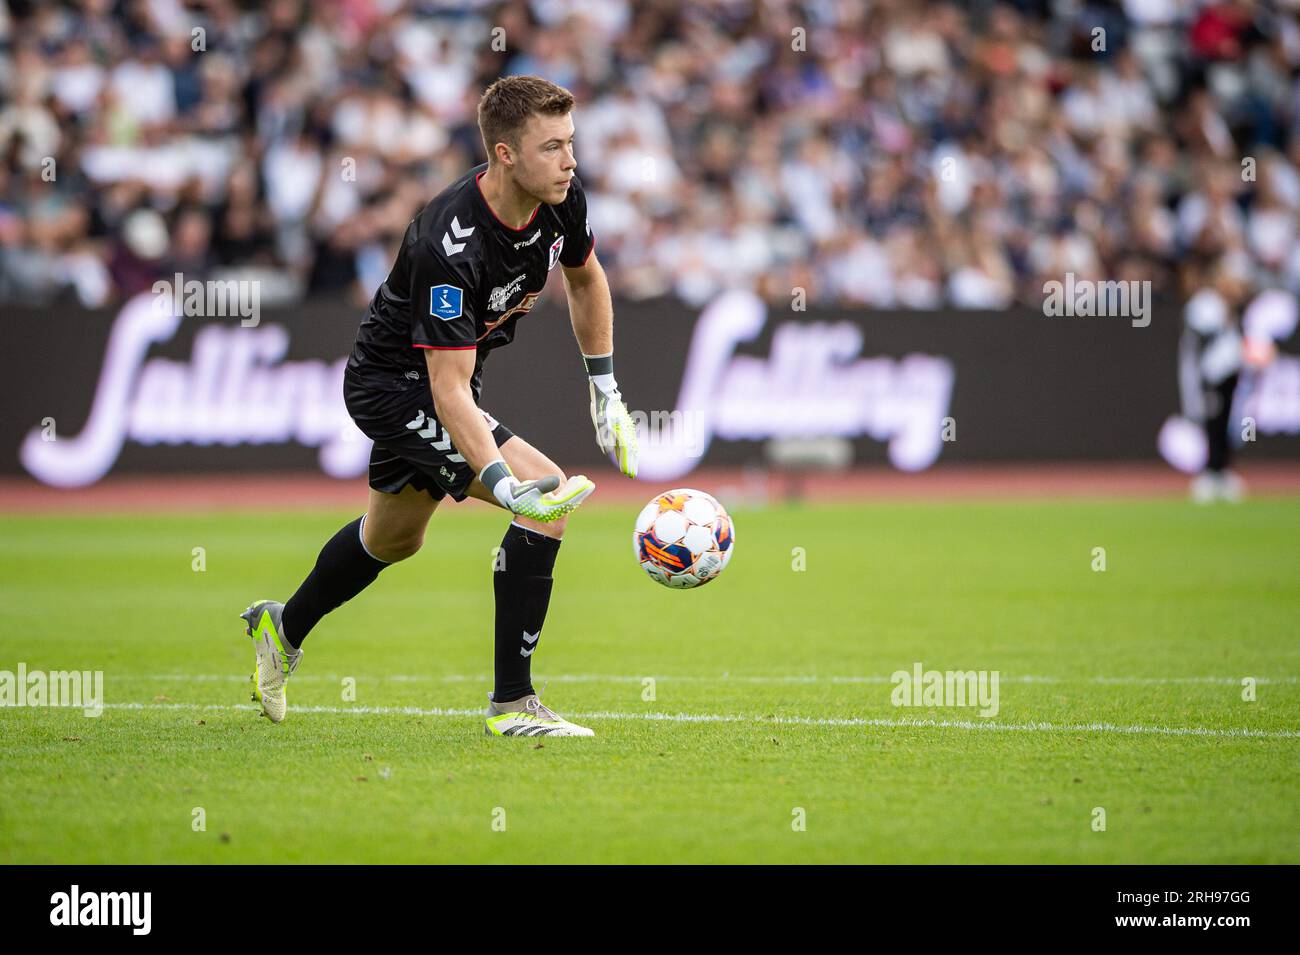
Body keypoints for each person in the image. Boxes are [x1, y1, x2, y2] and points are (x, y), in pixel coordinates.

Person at [239, 76, 638, 737]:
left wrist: (606, 387)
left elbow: (585, 277)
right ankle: (513, 705)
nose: (571, 160)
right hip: (395, 387)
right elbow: (447, 390)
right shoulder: (447, 243)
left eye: (572, 143)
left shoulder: (561, 197)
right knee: (546, 500)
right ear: (505, 155)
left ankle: (281, 627)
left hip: (440, 383)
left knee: (393, 538)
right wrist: (507, 488)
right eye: (553, 147)